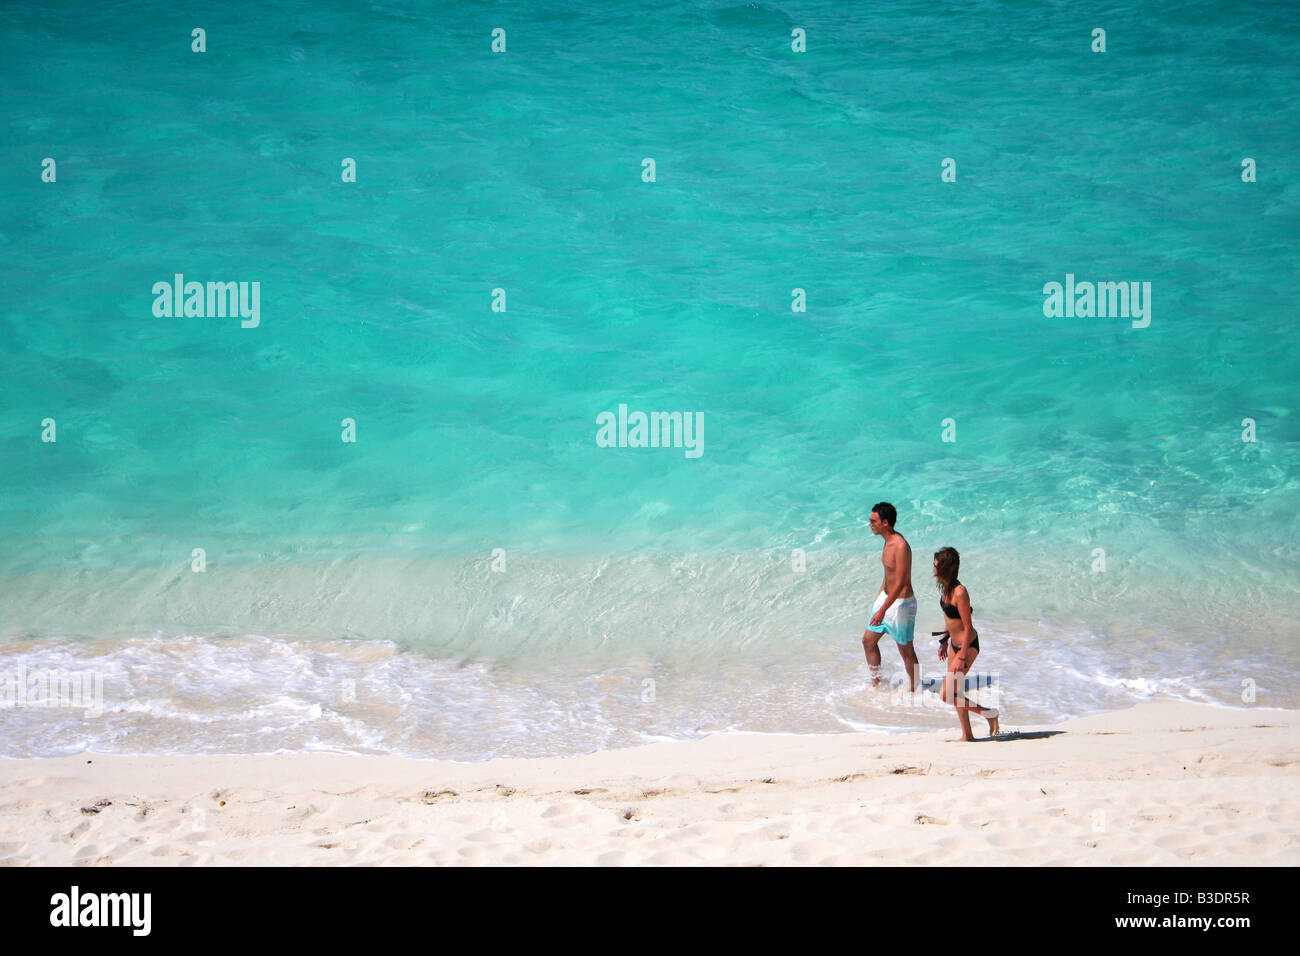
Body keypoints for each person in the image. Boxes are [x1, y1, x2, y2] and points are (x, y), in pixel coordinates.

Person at [933, 546, 999, 741]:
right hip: (954, 644)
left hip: (967, 646)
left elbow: (968, 626)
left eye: (936, 566)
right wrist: (944, 640)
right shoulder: (946, 589)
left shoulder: (960, 592)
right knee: (956, 691)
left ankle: (989, 714)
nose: (933, 570)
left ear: (946, 568)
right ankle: (967, 735)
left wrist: (962, 655)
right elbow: (950, 620)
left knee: (946, 694)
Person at [862, 502, 919, 691]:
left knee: (906, 650)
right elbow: (889, 575)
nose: (870, 524)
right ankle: (876, 683)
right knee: (868, 640)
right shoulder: (886, 541)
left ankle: (914, 690)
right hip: (887, 599)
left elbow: (901, 581)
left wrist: (883, 609)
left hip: (901, 604)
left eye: (873, 521)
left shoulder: (900, 545)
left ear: (885, 523)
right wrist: (879, 599)